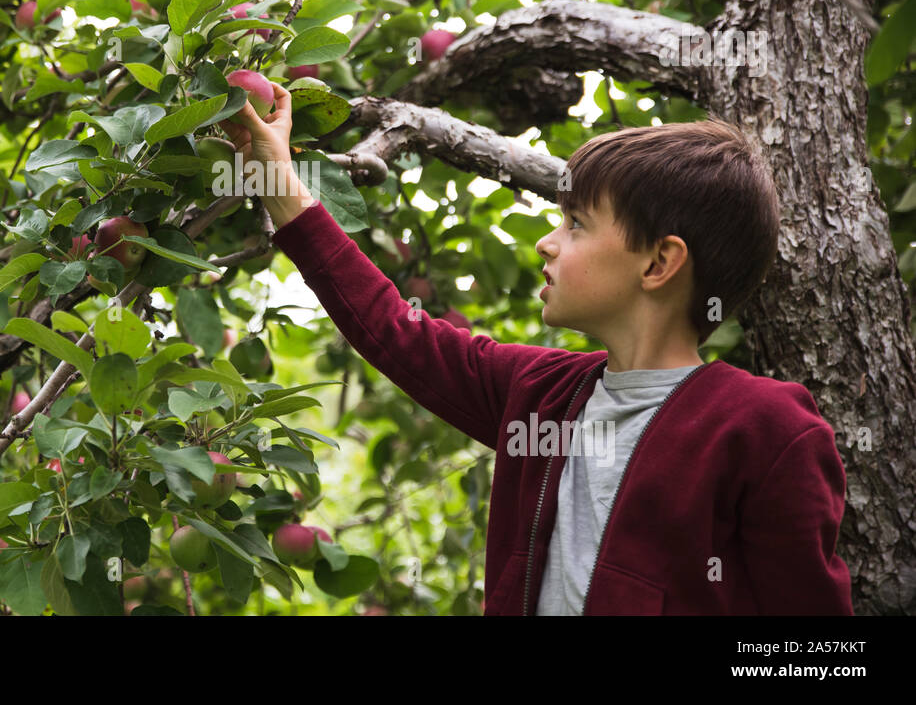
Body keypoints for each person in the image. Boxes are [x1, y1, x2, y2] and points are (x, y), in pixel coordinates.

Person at [218, 81, 852, 615]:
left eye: (575, 224)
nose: (549, 243)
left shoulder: (766, 429)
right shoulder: (539, 394)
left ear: (660, 262)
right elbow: (392, 330)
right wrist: (280, 182)